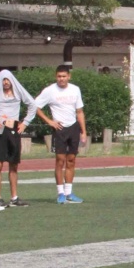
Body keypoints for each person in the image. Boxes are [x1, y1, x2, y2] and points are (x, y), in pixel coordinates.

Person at [23, 65, 86, 203]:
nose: (61, 79)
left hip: (73, 128)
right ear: (55, 76)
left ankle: (69, 193)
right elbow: (35, 106)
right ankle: (60, 193)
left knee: (71, 161)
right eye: (59, 76)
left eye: (64, 76)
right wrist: (49, 121)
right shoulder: (50, 91)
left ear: (69, 76)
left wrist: (83, 131)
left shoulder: (75, 90)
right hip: (60, 129)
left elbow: (80, 112)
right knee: (60, 161)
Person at [0, 67, 34, 206]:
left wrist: (25, 123)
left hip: (14, 129)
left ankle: (14, 197)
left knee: (14, 164)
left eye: (8, 80)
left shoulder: (18, 92)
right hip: (1, 130)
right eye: (3, 80)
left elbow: (32, 105)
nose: (5, 82)